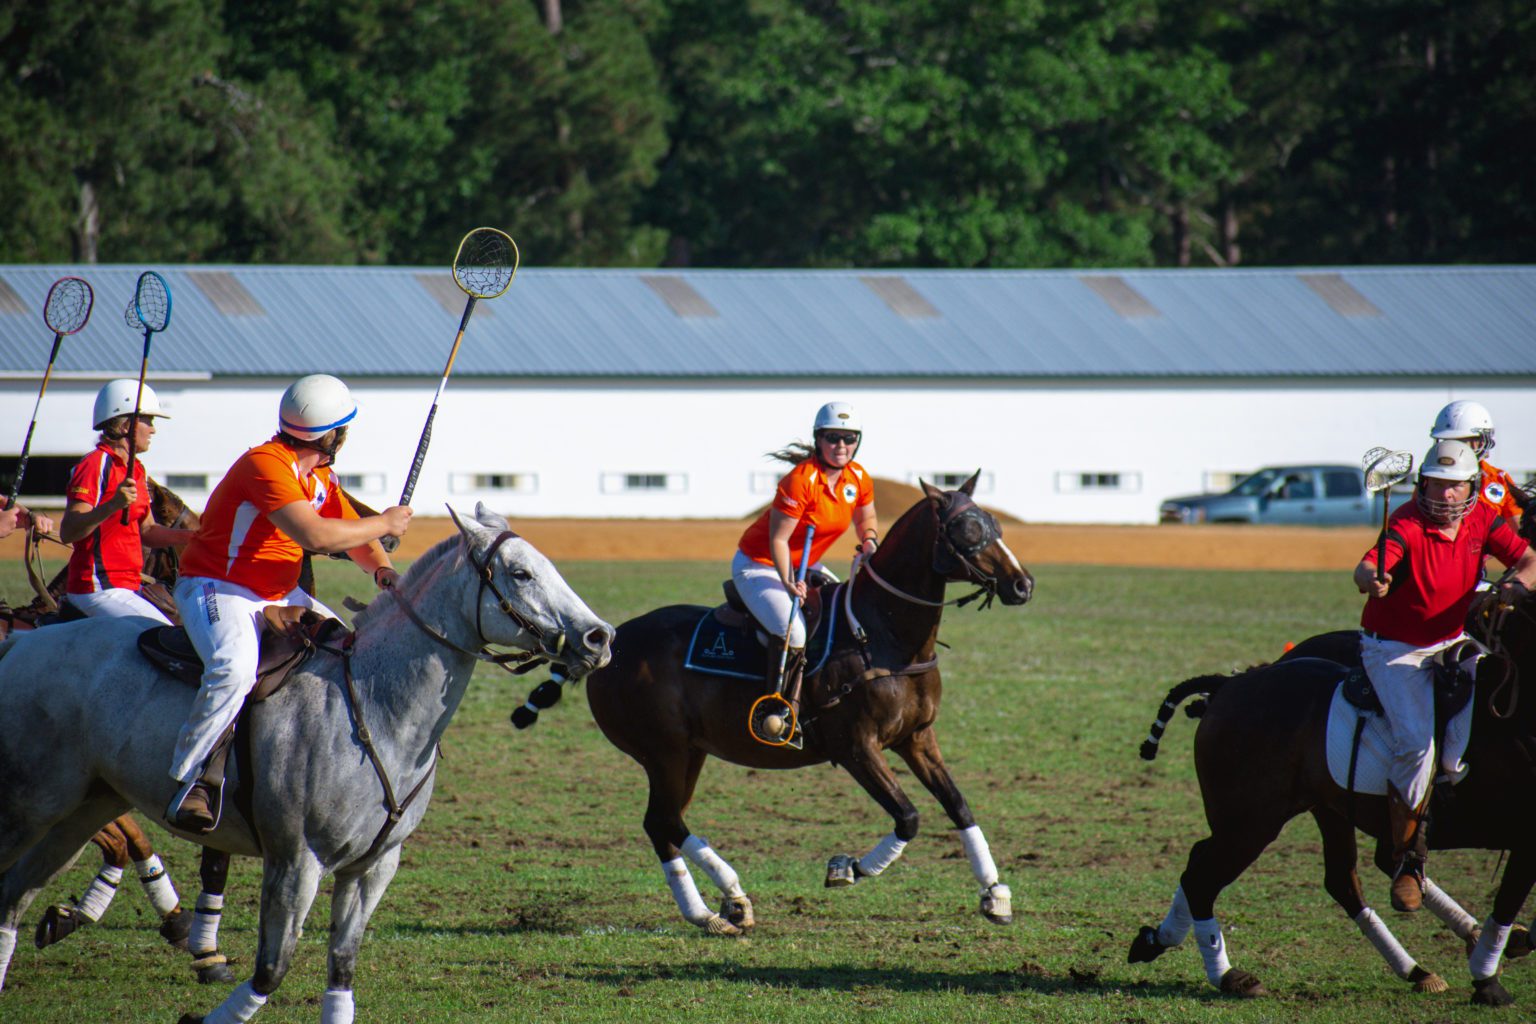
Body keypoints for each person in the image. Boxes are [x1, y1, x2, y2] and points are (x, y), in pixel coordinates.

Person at [166, 374, 412, 832]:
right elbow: (316, 535)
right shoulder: (265, 465)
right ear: (331, 433)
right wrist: (384, 523)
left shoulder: (319, 475)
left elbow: (350, 532)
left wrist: (383, 571)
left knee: (356, 650)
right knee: (233, 668)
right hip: (217, 587)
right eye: (344, 428)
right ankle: (192, 779)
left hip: (279, 592)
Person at [1354, 439, 1536, 913]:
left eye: (1455, 486)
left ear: (1472, 487)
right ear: (1423, 484)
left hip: (1453, 642)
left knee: (1464, 747)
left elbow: (1529, 559)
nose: (1447, 495)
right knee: (1417, 744)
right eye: (1438, 484)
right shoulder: (1407, 523)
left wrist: (1511, 589)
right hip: (1395, 650)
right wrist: (1371, 577)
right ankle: (1406, 861)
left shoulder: (1480, 520)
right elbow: (1371, 563)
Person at [734, 402, 879, 737]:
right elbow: (779, 540)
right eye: (833, 438)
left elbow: (866, 516)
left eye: (849, 438)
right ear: (818, 439)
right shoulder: (800, 482)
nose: (841, 446)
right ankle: (778, 709)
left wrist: (869, 541)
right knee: (795, 633)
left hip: (806, 562)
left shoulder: (857, 478)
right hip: (761, 565)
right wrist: (788, 582)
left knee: (846, 613)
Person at [57, 381, 194, 624]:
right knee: (157, 631)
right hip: (97, 586)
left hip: (127, 585)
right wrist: (112, 505)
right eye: (148, 421)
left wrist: (194, 537)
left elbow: (148, 531)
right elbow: (69, 531)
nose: (153, 430)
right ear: (126, 425)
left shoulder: (137, 469)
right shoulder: (95, 464)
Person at [1431, 400, 1525, 523]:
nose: (1452, 448)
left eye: (1459, 441)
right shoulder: (1430, 477)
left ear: (1481, 441)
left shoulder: (1498, 479)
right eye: (1447, 441)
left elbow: (1518, 530)